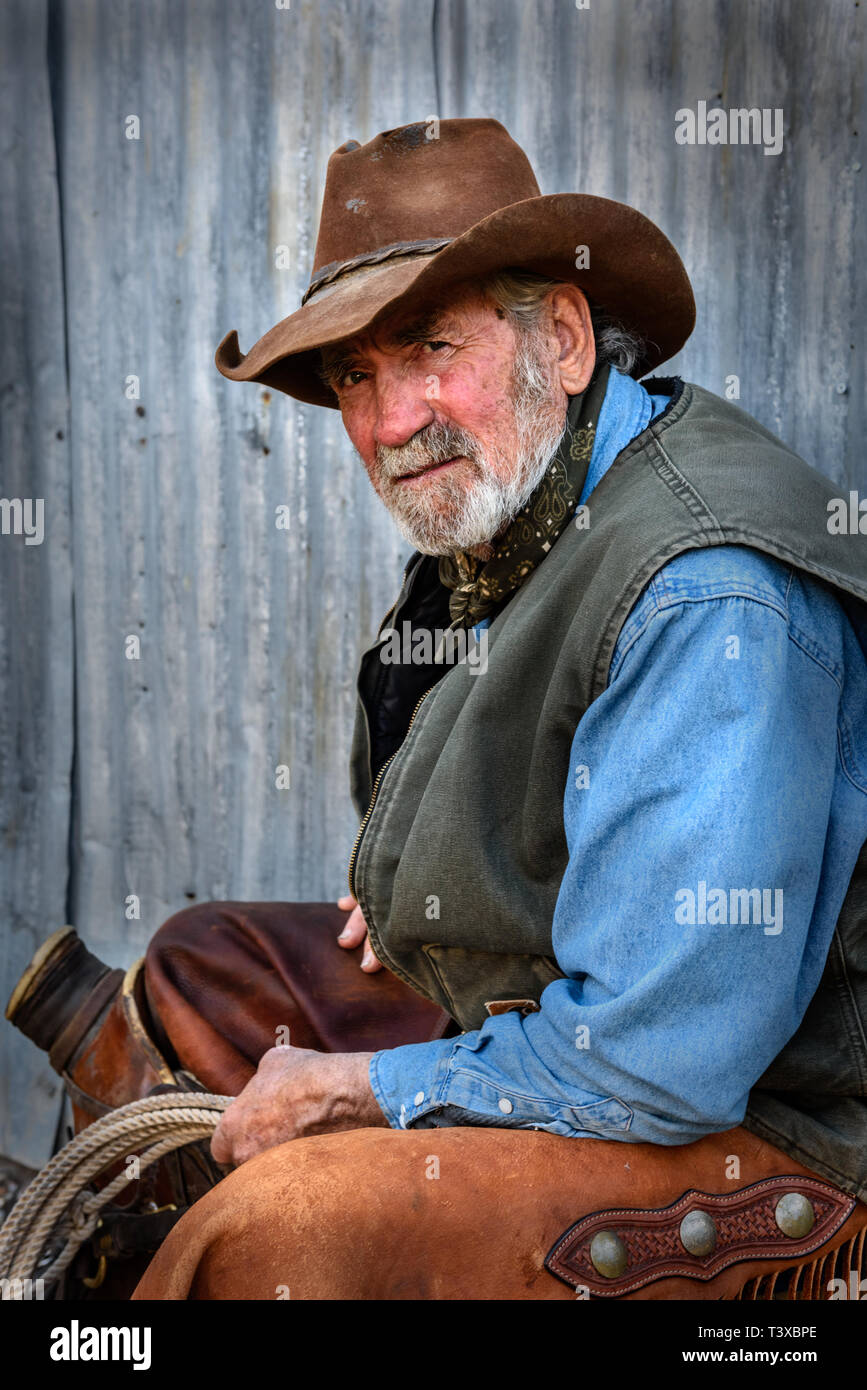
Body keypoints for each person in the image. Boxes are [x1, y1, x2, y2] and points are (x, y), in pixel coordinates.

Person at [10, 117, 867, 1300]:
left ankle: (158, 1265)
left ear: (562, 338)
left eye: (428, 348)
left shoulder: (708, 594)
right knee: (207, 963)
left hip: (766, 1121)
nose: (388, 420)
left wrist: (355, 1090)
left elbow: (664, 1062)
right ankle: (106, 1229)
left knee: (281, 1231)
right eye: (356, 374)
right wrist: (417, 874)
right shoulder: (528, 491)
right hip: (592, 1003)